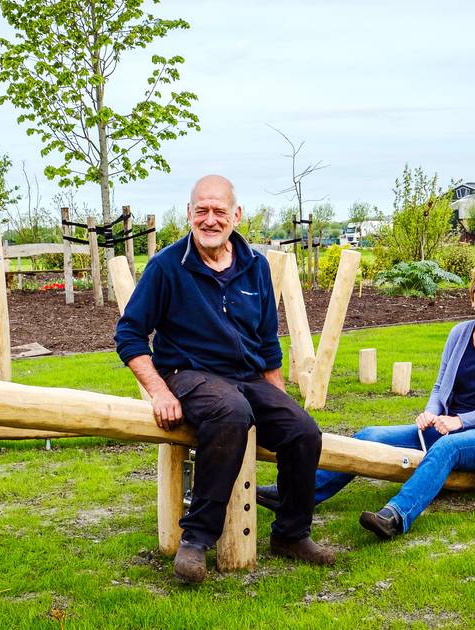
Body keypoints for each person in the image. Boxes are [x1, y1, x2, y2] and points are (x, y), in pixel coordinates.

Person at [115, 175, 335, 583]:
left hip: (247, 377)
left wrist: (279, 403)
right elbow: (129, 334)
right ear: (188, 214)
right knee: (231, 413)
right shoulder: (167, 266)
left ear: (236, 215)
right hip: (188, 374)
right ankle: (196, 540)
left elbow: (268, 345)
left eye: (219, 211)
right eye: (202, 210)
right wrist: (159, 392)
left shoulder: (255, 267)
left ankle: (290, 535)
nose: (210, 219)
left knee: (303, 430)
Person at [258, 265, 475, 539]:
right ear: (472, 297)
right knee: (369, 435)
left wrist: (461, 420)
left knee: (449, 447)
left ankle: (396, 515)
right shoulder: (459, 334)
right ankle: (296, 496)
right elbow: (440, 387)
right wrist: (430, 412)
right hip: (444, 426)